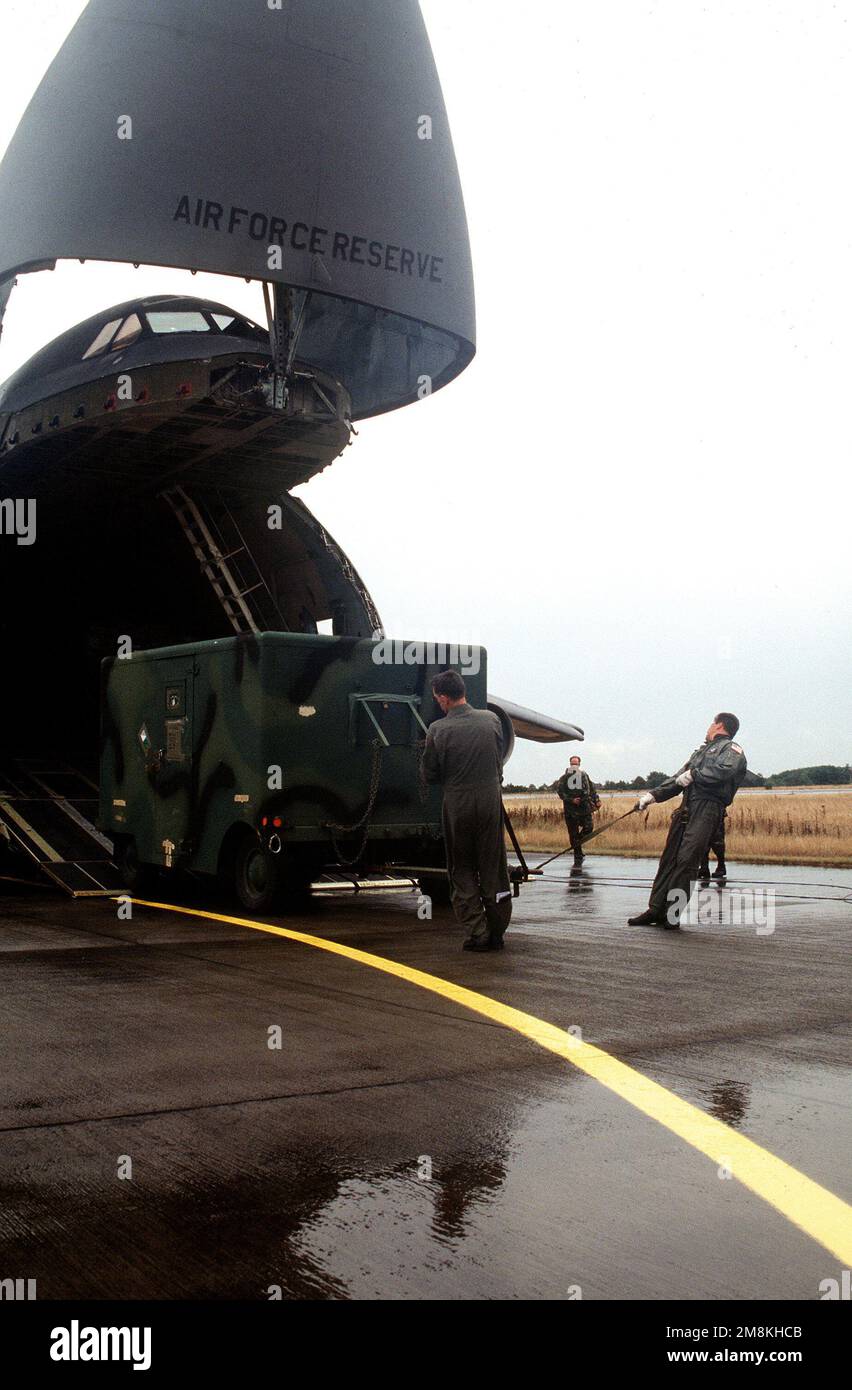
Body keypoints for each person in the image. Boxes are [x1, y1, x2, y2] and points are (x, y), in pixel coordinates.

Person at [628, 713, 746, 929]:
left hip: (707, 808)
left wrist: (695, 775)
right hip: (686, 807)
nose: (709, 727)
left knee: (687, 861)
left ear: (720, 725)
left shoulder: (731, 749)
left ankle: (672, 914)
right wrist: (652, 796)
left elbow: (724, 771)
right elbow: (678, 779)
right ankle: (656, 909)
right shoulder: (699, 753)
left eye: (712, 722)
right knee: (669, 860)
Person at [422, 670, 512, 952]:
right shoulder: (492, 720)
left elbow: (429, 774)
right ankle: (497, 930)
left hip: (458, 805)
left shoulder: (437, 730)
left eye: (438, 698)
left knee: (461, 870)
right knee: (493, 868)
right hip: (489, 801)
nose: (438, 703)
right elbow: (498, 761)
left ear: (445, 698)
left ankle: (478, 931)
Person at [556, 754, 600, 866]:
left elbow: (592, 789)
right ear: (570, 764)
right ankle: (578, 855)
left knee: (589, 828)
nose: (574, 765)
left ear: (579, 764)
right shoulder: (564, 778)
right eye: (572, 764)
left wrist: (596, 800)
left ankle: (576, 843)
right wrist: (571, 800)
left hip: (584, 808)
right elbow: (561, 792)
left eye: (576, 763)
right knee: (573, 833)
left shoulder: (584, 775)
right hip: (570, 810)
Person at [699, 812, 727, 881]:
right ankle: (704, 868)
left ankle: (721, 867)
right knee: (703, 843)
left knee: (717, 843)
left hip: (715, 814)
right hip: (703, 816)